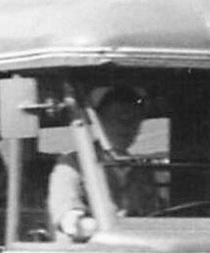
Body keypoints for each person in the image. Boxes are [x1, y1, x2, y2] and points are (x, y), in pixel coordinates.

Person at [47, 86, 158, 241]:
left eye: (133, 119)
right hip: (88, 250)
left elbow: (154, 215)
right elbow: (68, 219)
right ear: (100, 121)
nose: (125, 126)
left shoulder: (141, 171)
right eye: (117, 117)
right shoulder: (71, 164)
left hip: (139, 246)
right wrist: (88, 225)